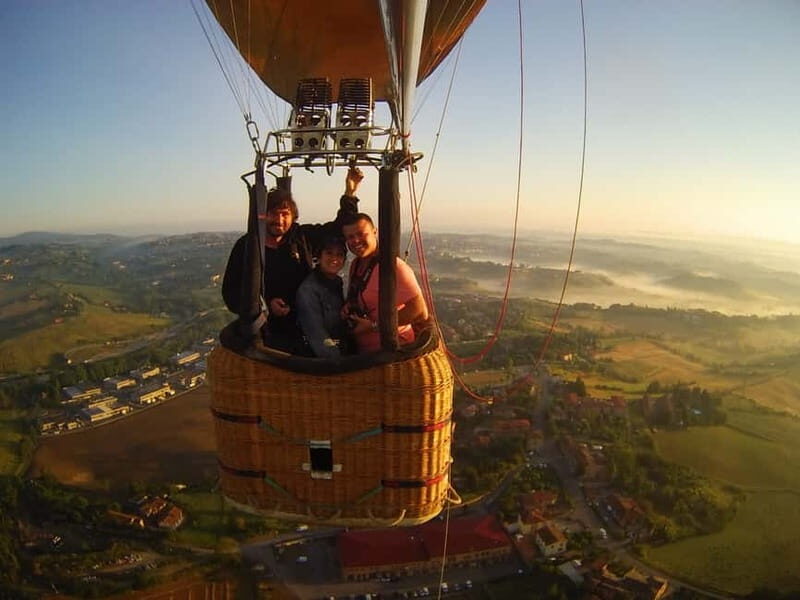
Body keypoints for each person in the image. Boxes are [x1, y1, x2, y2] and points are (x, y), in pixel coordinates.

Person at [222, 168, 363, 352]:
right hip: (272, 333)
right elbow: (231, 292)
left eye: (285, 214)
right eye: (273, 213)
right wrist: (264, 305)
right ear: (263, 215)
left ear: (292, 216)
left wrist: (350, 193)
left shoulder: (300, 237)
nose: (279, 220)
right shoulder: (247, 246)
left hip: (310, 322)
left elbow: (338, 228)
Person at [341, 213, 429, 353]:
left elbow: (419, 311)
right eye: (350, 237)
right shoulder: (355, 265)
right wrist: (350, 306)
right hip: (365, 354)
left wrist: (374, 326)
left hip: (394, 355)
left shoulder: (392, 267)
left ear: (375, 232)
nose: (356, 241)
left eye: (361, 234)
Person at [295, 236, 352, 359]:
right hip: (320, 363)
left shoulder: (337, 283)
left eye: (339, 254)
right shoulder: (309, 290)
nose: (334, 259)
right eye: (329, 253)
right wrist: (340, 363)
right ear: (319, 257)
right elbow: (318, 337)